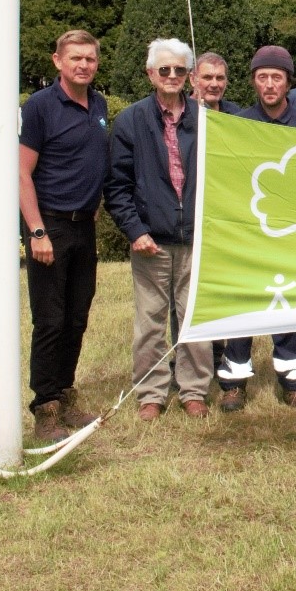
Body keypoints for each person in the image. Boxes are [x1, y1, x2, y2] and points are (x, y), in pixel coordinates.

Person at [105, 38, 214, 421]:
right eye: (164, 70)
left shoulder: (205, 119)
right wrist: (135, 231)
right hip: (151, 240)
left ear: (189, 75)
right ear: (151, 74)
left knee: (194, 320)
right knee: (150, 322)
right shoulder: (131, 120)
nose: (172, 76)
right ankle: (151, 392)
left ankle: (194, 390)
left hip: (196, 239)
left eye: (179, 70)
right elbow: (116, 185)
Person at [215, 46, 296, 413]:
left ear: (288, 82)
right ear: (254, 81)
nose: (270, 83)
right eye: (263, 76)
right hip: (247, 231)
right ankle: (234, 383)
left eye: (277, 77)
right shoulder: (238, 124)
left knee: (290, 307)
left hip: (290, 233)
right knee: (243, 305)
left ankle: (294, 383)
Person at [17, 30, 110, 441]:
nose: (83, 65)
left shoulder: (99, 105)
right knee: (50, 320)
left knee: (77, 316)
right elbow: (21, 173)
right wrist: (37, 231)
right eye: (75, 58)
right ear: (58, 61)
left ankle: (66, 392)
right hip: (49, 224)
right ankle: (45, 406)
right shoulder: (39, 107)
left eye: (89, 58)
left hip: (83, 226)